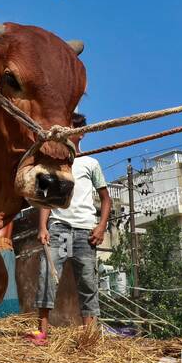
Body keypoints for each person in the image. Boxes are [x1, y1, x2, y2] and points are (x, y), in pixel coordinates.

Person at [31, 113, 112, 345]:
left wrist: (101, 226)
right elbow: (47, 199)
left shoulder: (91, 163)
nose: (69, 131)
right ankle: (42, 333)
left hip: (84, 230)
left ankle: (89, 337)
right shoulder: (53, 163)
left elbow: (106, 199)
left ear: (81, 133)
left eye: (73, 128)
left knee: (87, 281)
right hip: (59, 227)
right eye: (66, 127)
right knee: (47, 276)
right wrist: (42, 227)